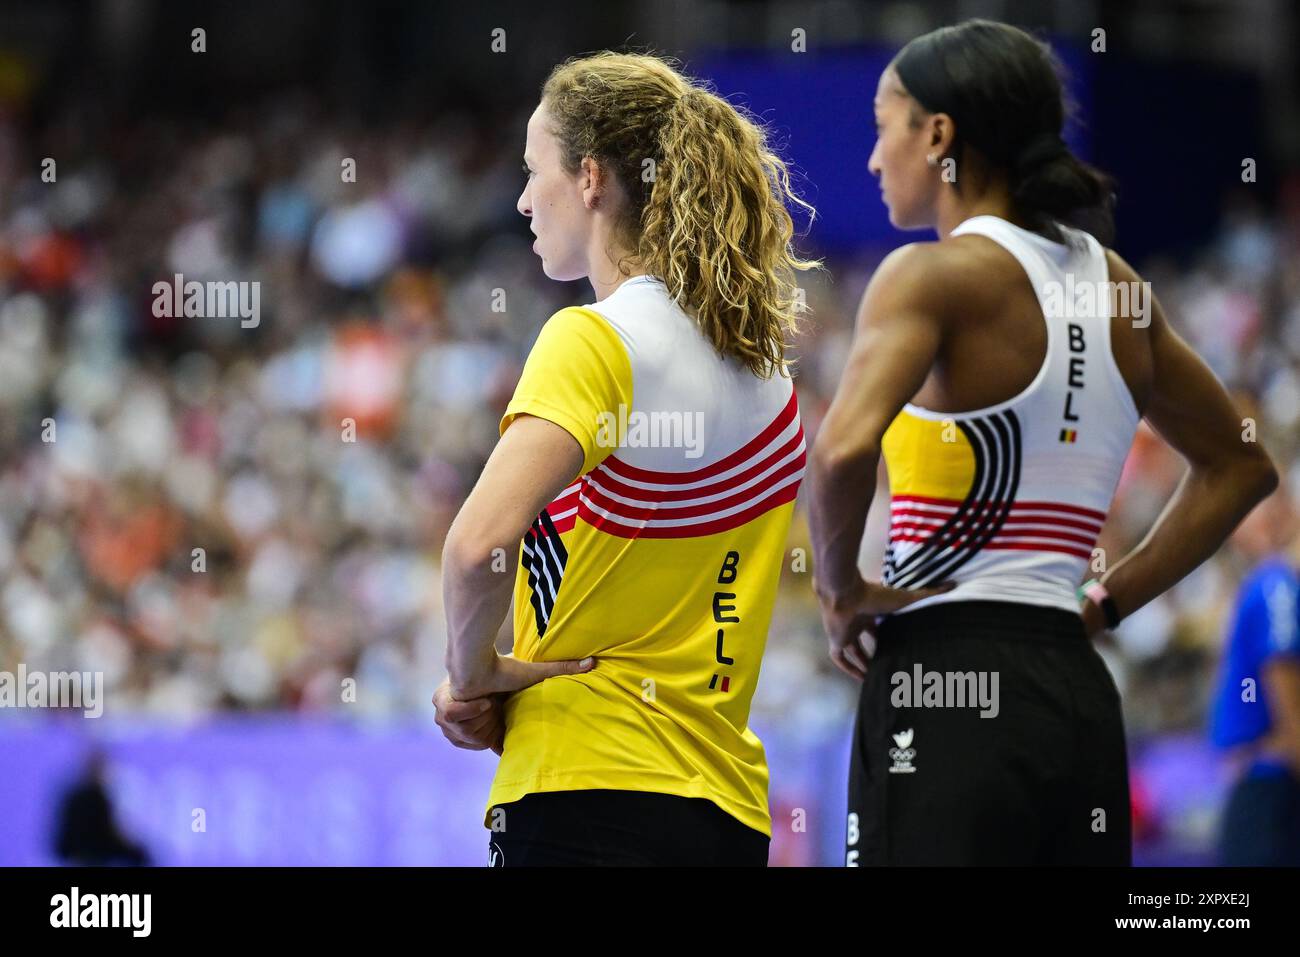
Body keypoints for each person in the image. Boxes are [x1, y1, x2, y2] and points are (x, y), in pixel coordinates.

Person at [806, 19, 1280, 865]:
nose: (875, 159)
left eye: (885, 128)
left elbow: (840, 452)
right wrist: (1107, 599)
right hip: (1073, 692)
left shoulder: (929, 275)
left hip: (943, 679)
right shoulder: (1118, 286)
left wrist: (840, 591)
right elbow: (1240, 465)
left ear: (939, 134)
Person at [430, 51, 907, 866]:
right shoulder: (769, 381)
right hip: (721, 809)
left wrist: (472, 677)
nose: (519, 199)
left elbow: (478, 547)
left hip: (582, 783)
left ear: (589, 178)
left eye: (530, 170)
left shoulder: (591, 339)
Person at [1210, 486, 1300, 865]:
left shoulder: (1275, 584)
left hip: (1270, 788)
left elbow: (1283, 685)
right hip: (1260, 782)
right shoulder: (1268, 585)